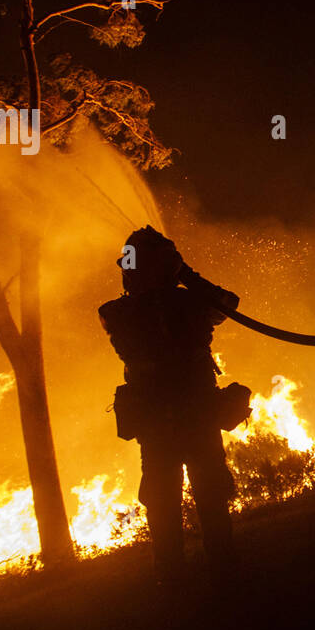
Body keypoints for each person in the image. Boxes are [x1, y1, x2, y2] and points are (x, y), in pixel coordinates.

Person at [99, 226, 249, 587]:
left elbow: (226, 304)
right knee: (208, 494)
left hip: (158, 422)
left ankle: (172, 576)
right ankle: (221, 570)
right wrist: (184, 273)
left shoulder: (114, 311)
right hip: (194, 415)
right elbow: (227, 303)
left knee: (166, 499)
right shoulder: (189, 303)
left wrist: (175, 272)